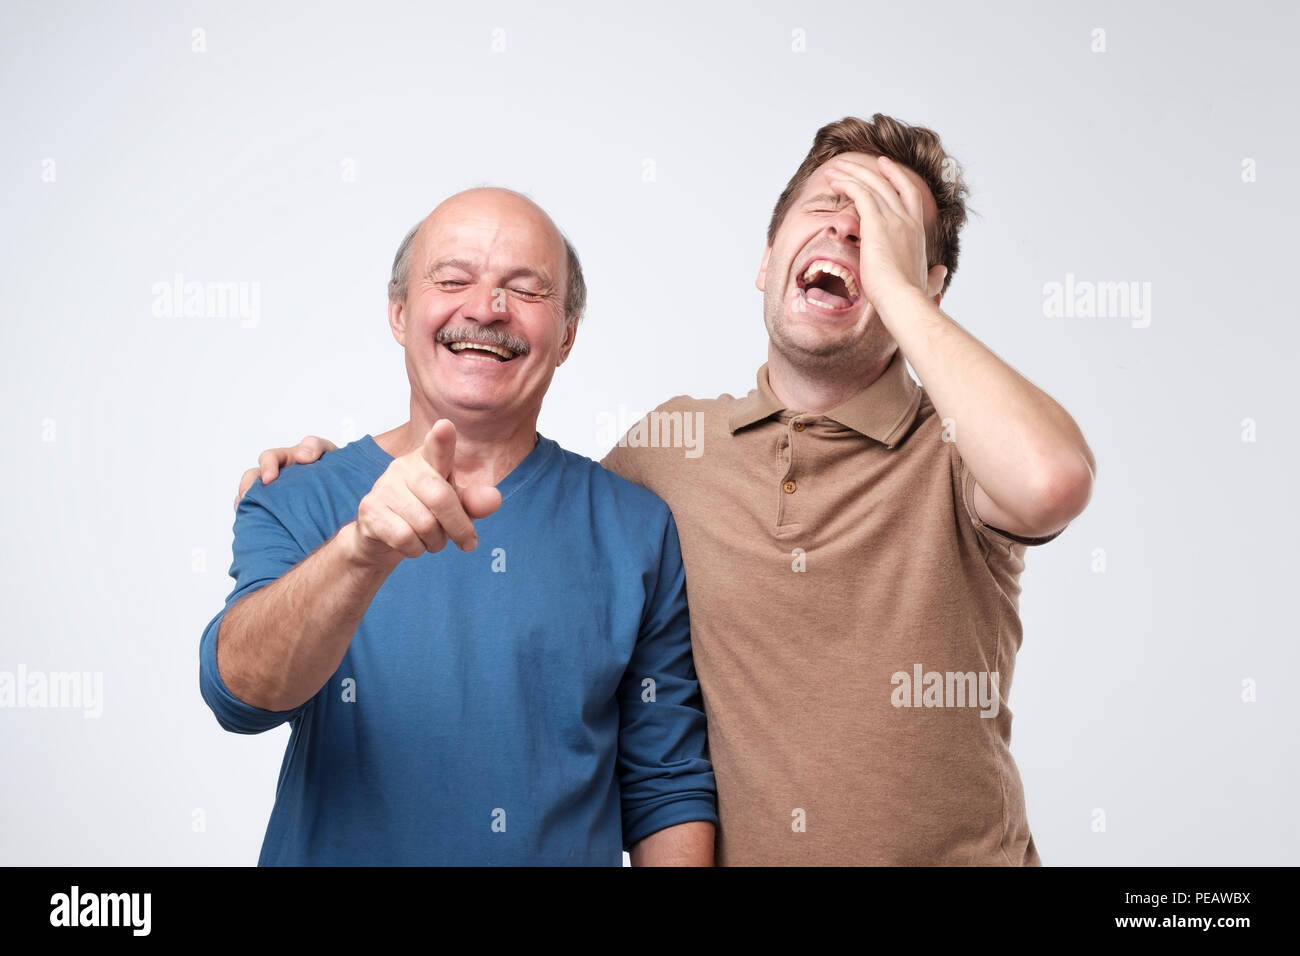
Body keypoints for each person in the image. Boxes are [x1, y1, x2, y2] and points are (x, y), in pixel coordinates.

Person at [244, 114, 1095, 865]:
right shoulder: (668, 455)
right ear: (766, 260)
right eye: (826, 209)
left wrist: (901, 294)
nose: (848, 232)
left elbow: (1051, 480)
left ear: (928, 286)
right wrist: (333, 475)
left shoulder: (957, 452)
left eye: (882, 226)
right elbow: (532, 494)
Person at [201, 187, 717, 865]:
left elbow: (666, 784)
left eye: (525, 290)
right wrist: (359, 552)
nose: (486, 308)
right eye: (451, 279)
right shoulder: (296, 494)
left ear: (564, 337)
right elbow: (241, 696)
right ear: (398, 312)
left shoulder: (635, 527)